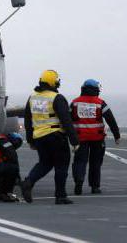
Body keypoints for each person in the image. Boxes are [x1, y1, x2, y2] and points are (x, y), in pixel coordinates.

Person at [20, 70, 79, 205]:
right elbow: (66, 120)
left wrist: (30, 140)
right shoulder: (57, 98)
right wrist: (74, 140)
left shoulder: (32, 97)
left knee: (44, 163)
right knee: (61, 165)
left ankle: (28, 182)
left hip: (40, 137)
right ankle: (60, 196)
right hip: (56, 137)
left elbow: (28, 121)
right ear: (53, 82)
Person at [70, 79, 121, 195]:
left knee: (80, 161)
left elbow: (67, 119)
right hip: (97, 138)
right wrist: (116, 135)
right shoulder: (100, 103)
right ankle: (95, 187)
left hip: (80, 138)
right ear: (96, 89)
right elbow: (110, 119)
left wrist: (68, 135)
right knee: (96, 162)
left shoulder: (75, 103)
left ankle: (79, 181)